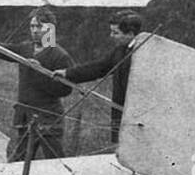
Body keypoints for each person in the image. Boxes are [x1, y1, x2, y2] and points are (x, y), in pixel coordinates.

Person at [0, 7, 74, 161]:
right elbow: (0, 49)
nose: (34, 30)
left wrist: (39, 72)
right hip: (25, 117)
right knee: (19, 162)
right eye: (32, 26)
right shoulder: (25, 48)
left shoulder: (59, 55)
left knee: (56, 162)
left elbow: (65, 89)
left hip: (49, 119)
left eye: (39, 26)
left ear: (50, 29)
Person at [54, 10, 144, 145]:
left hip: (141, 118)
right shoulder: (119, 51)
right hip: (121, 114)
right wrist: (67, 73)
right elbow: (99, 67)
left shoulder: (145, 54)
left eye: (115, 33)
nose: (111, 36)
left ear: (130, 34)